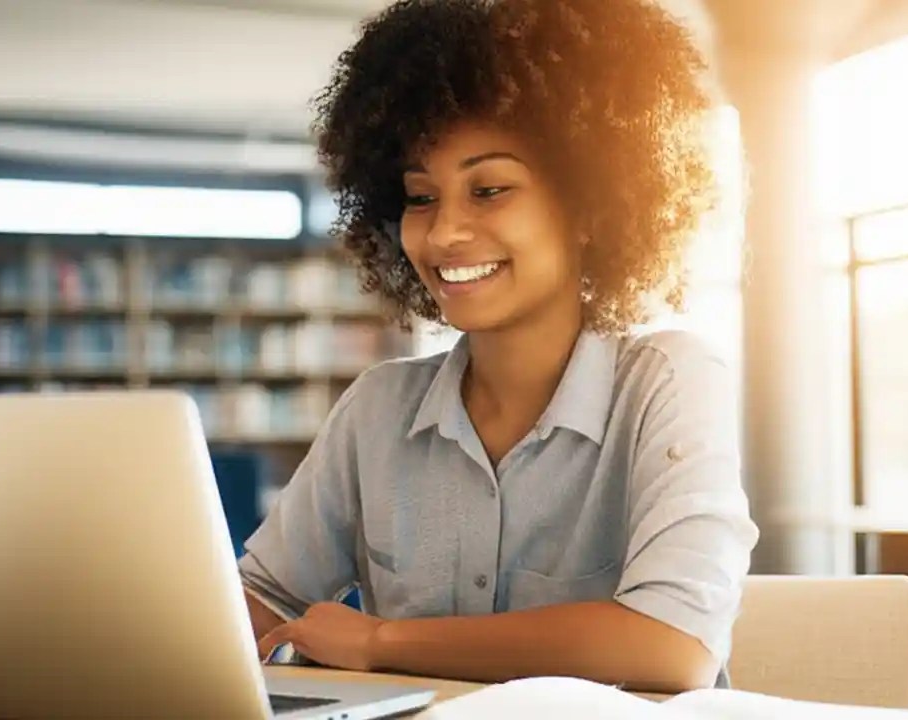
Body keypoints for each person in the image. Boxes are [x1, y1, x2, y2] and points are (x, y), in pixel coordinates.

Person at [237, 0, 759, 693]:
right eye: (420, 198)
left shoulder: (670, 380)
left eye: (488, 190)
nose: (445, 232)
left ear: (588, 207)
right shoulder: (378, 409)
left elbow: (672, 645)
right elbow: (258, 602)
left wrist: (381, 641)